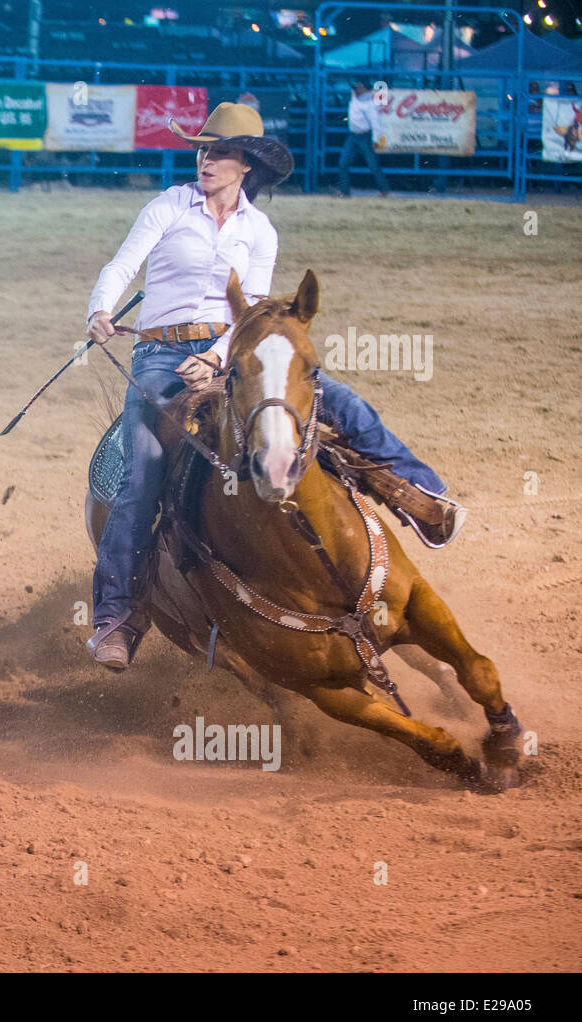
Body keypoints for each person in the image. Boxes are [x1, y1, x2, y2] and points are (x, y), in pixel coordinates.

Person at [84, 103, 465, 672]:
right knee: (144, 465)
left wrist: (217, 358)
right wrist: (100, 308)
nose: (206, 159)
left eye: (220, 152)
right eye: (203, 149)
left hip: (235, 351)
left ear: (246, 165)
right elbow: (121, 266)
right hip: (159, 355)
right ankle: (114, 616)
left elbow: (251, 312)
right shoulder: (167, 206)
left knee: (339, 402)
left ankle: (419, 494)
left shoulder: (259, 231)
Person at [337, 81, 390, 198]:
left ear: (365, 89)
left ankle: (384, 189)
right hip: (354, 135)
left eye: (359, 87)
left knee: (372, 164)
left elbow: (375, 123)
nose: (356, 90)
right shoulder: (356, 97)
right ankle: (344, 191)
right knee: (344, 163)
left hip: (364, 136)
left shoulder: (369, 104)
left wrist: (375, 140)